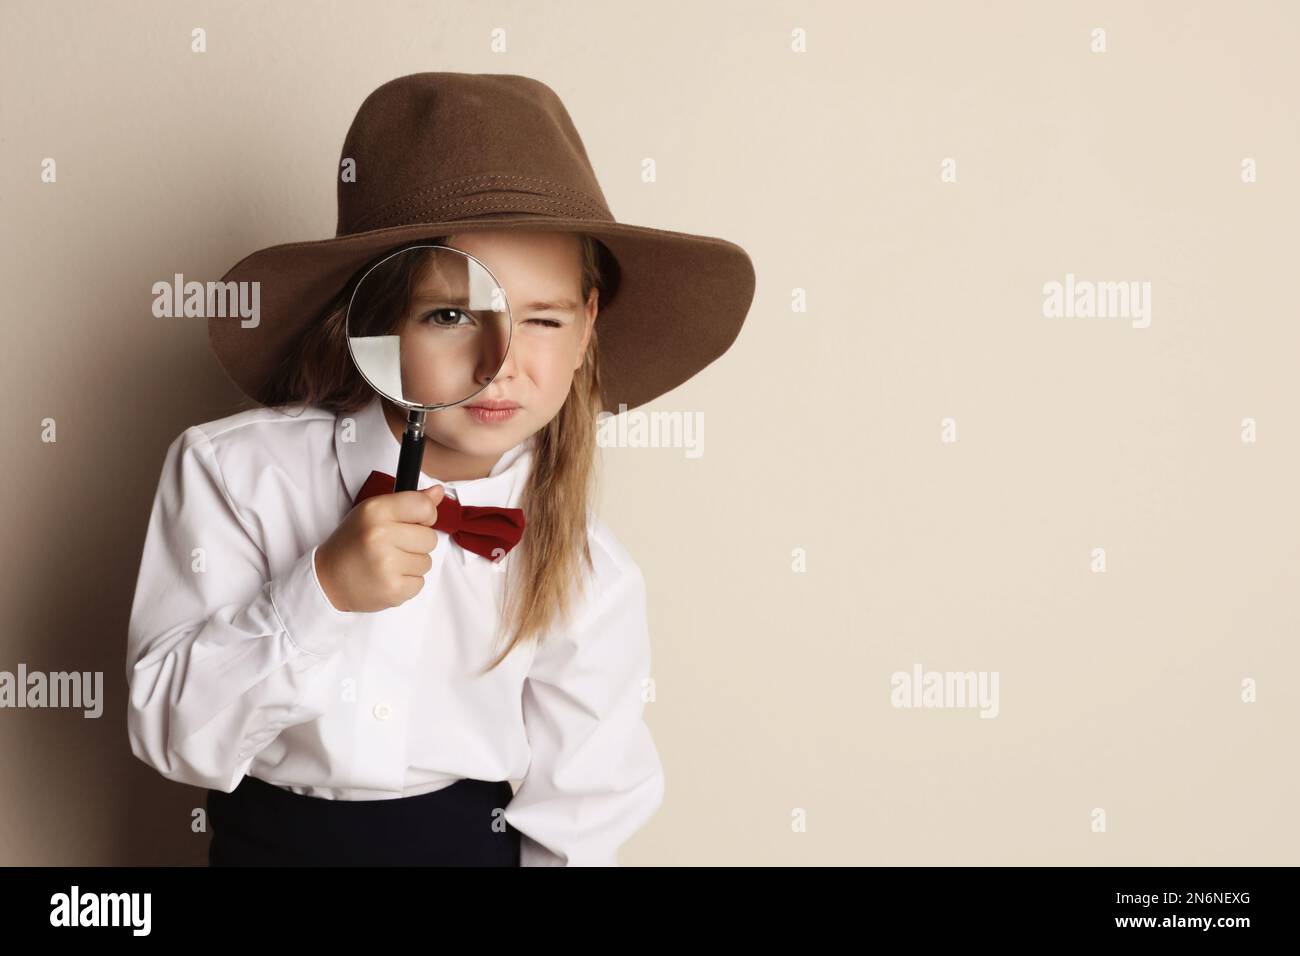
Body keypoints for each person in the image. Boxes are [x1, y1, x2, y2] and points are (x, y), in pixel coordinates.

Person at [125, 72, 756, 866]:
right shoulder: (233, 472)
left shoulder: (591, 570)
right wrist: (317, 594)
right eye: (451, 315)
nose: (501, 363)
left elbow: (583, 810)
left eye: (542, 319)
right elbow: (175, 738)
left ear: (588, 325)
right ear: (378, 320)